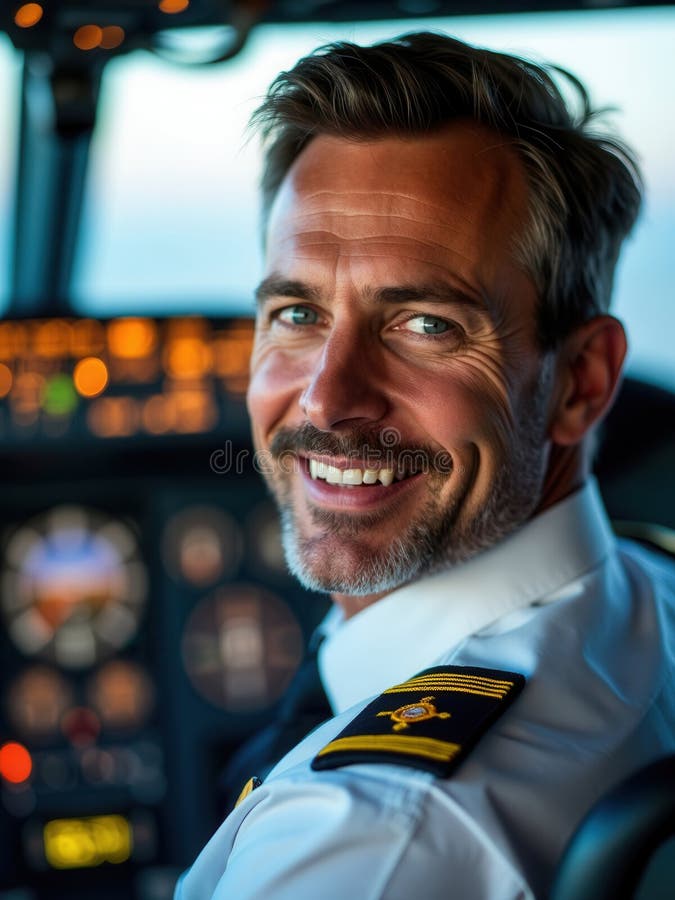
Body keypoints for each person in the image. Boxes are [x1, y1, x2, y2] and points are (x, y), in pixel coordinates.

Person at [176, 32, 675, 900]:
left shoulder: (370, 840)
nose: (327, 401)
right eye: (296, 313)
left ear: (580, 382)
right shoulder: (647, 583)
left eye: (425, 326)